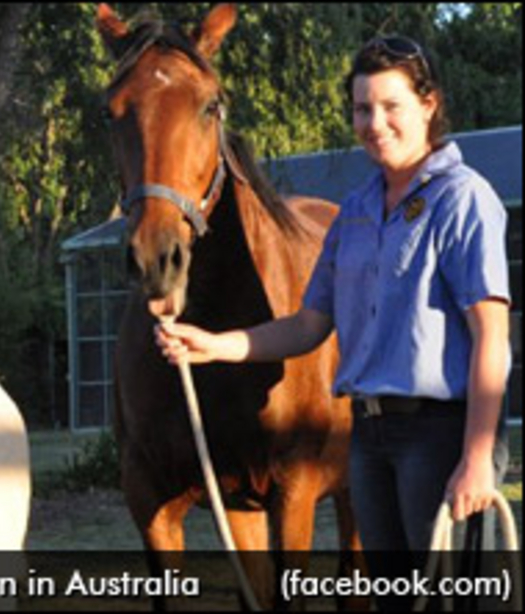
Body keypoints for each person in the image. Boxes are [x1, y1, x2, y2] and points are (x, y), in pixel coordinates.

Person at [156, 35, 510, 606]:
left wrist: (476, 456)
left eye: (391, 106)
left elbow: (491, 336)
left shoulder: (463, 200)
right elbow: (308, 326)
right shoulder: (357, 211)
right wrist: (214, 345)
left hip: (436, 434)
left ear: (428, 104)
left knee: (447, 600)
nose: (375, 123)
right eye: (362, 108)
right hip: (366, 441)